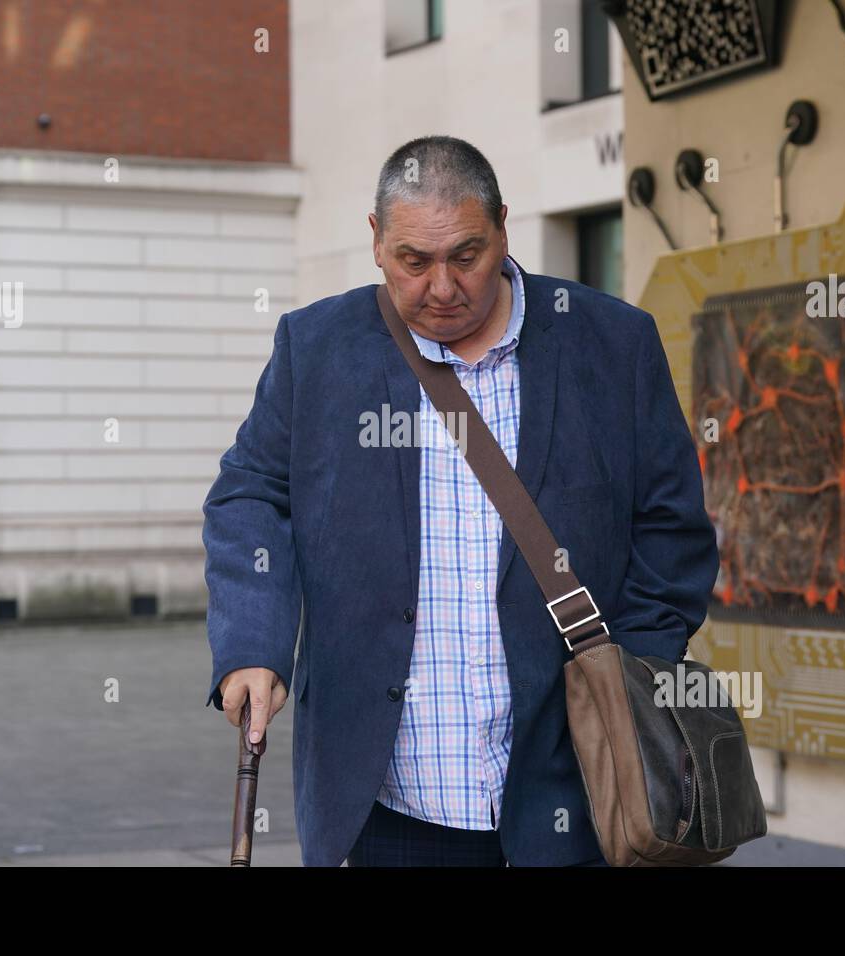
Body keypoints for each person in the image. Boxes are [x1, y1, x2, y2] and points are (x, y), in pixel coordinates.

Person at [203, 134, 719, 866]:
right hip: (388, 804)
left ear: (503, 227)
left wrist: (625, 688)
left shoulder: (614, 343)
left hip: (578, 796)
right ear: (376, 241)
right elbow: (249, 496)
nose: (442, 287)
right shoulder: (315, 349)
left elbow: (674, 533)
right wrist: (253, 645)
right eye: (414, 261)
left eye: (466, 255)